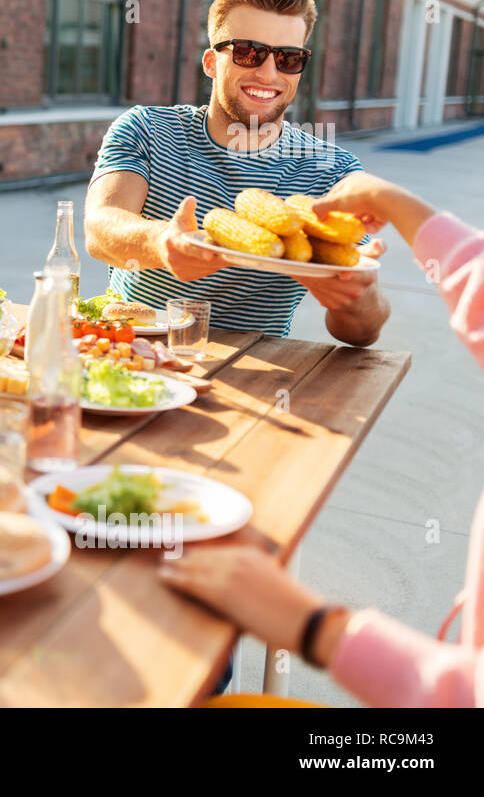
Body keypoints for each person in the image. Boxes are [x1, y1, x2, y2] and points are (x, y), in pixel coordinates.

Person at [161, 171, 483, 706]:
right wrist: (400, 203)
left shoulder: (323, 165)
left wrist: (311, 625)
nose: (268, 79)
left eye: (290, 75)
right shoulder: (150, 127)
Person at [83, 0, 390, 346]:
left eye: (288, 58)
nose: (268, 73)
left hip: (259, 374)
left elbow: (361, 334)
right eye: (248, 52)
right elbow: (100, 229)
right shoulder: (147, 128)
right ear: (211, 62)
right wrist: (161, 241)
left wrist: (355, 294)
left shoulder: (333, 171)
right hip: (134, 352)